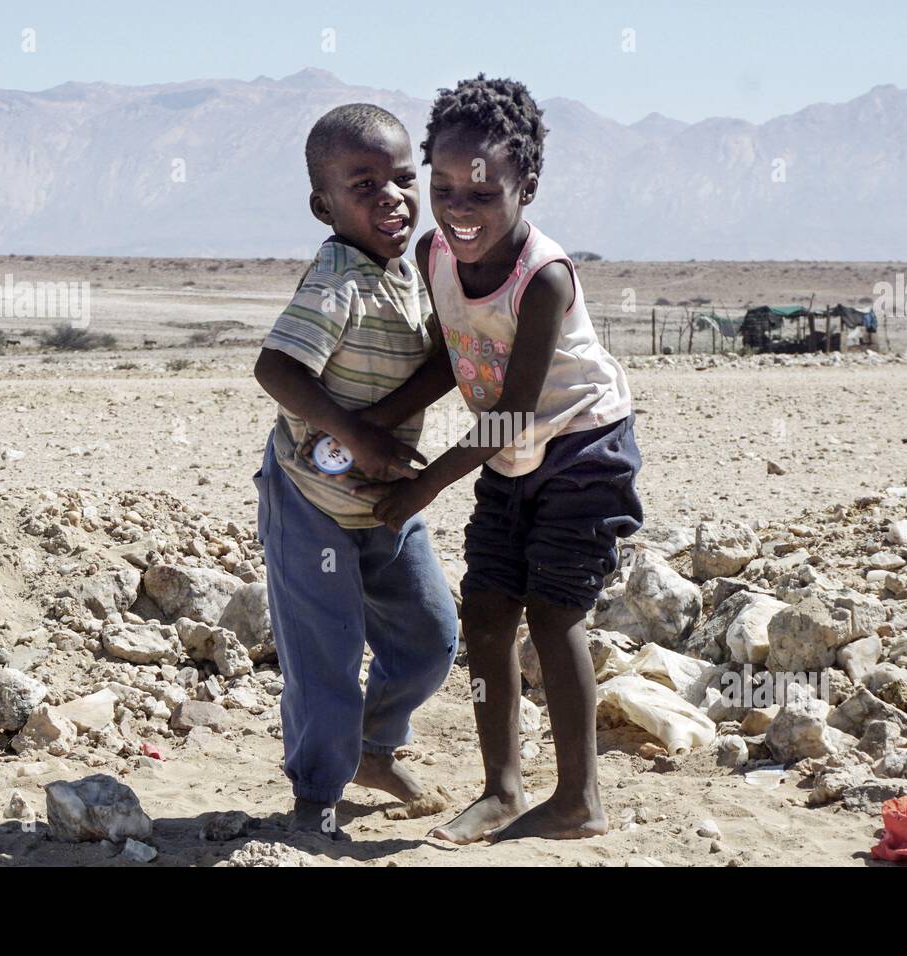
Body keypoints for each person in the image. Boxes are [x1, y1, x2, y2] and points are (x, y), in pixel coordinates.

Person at [362, 75, 644, 842]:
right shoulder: (435, 255)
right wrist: (368, 423)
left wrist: (422, 486)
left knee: (554, 616)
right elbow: (456, 359)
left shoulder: (543, 277)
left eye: (482, 193)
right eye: (444, 186)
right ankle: (502, 789)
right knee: (486, 618)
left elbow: (516, 408)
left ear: (528, 185)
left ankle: (580, 798)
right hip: (510, 453)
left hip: (584, 447)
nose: (459, 207)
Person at [251, 103, 457, 839]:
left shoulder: (413, 276)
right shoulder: (339, 276)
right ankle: (315, 794)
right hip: (310, 502)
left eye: (403, 178)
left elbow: (444, 366)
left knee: (432, 638)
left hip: (387, 503)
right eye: (363, 184)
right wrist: (356, 437)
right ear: (323, 205)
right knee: (325, 658)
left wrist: (375, 435)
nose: (391, 197)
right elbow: (275, 367)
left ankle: (370, 747)